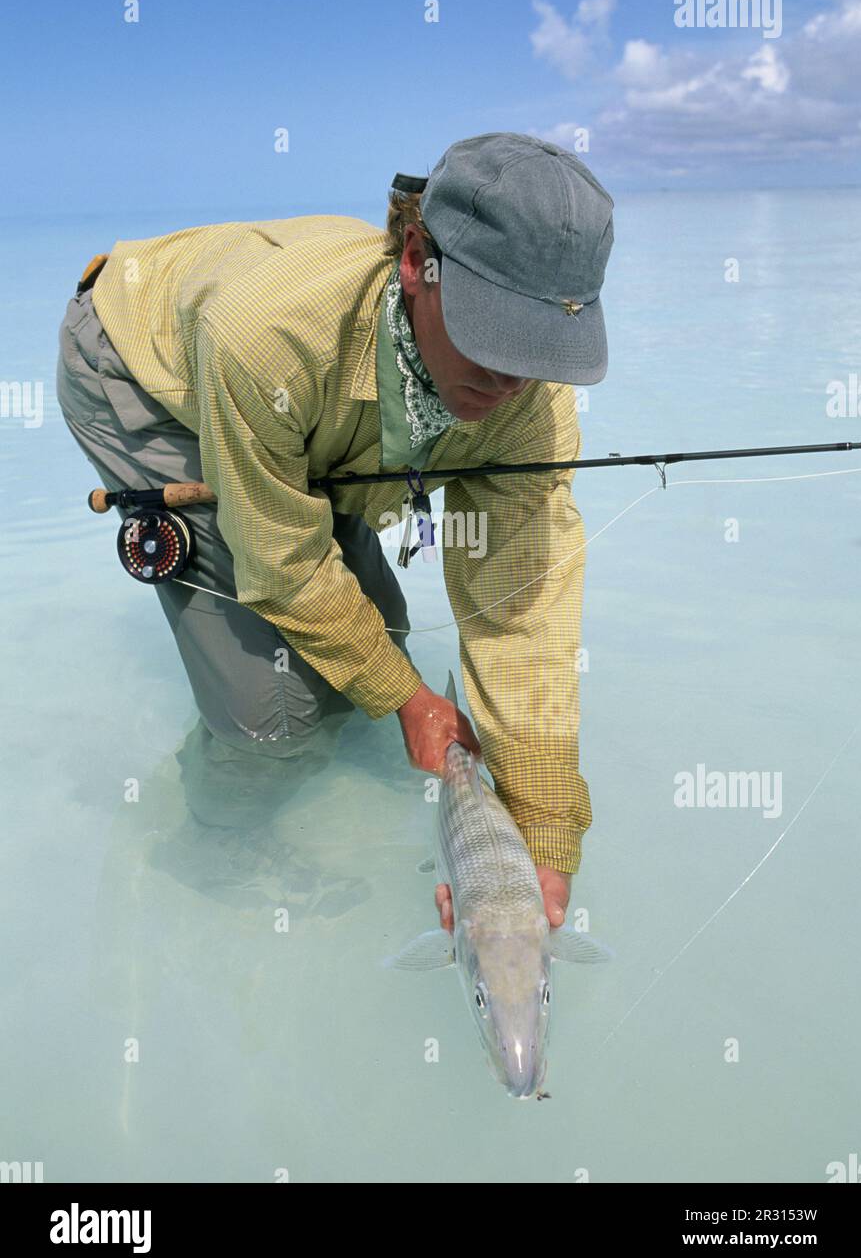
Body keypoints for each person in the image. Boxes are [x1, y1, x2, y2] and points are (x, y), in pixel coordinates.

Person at [56, 131, 614, 932]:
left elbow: (518, 612)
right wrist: (403, 697)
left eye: (542, 347)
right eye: (493, 333)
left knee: (376, 643)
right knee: (276, 716)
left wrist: (546, 833)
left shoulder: (527, 401)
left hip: (301, 398)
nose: (510, 380)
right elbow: (280, 559)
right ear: (419, 258)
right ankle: (212, 844)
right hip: (139, 365)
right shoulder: (266, 337)